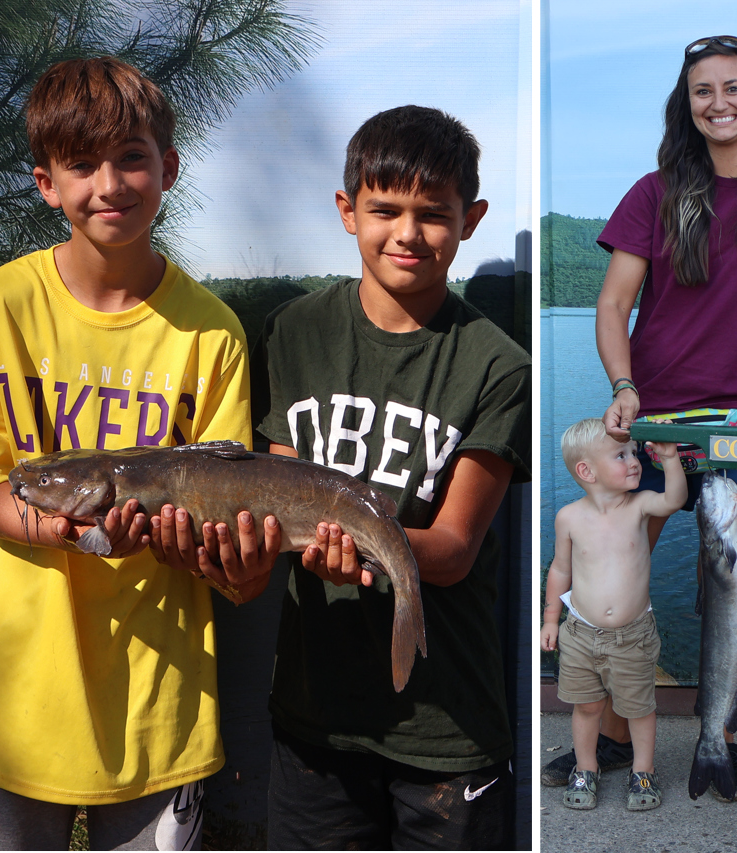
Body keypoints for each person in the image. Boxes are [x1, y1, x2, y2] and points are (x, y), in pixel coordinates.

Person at [0, 57, 263, 849]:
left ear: (169, 169)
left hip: (161, 712)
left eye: (130, 157)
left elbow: (230, 505)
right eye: (82, 164)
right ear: (46, 183)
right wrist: (70, 531)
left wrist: (230, 557)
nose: (109, 183)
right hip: (17, 708)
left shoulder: (213, 329)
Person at [541, 33, 737, 802]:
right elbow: (613, 304)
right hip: (649, 422)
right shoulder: (654, 193)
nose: (719, 103)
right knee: (615, 580)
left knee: (729, 589)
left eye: (732, 88)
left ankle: (723, 739)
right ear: (687, 104)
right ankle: (611, 739)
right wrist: (623, 383)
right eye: (703, 91)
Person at [251, 105, 530, 850]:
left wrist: (369, 545)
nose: (407, 233)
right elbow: (279, 509)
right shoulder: (295, 331)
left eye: (433, 214)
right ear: (348, 211)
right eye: (384, 209)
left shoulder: (497, 364)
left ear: (470, 220)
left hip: (446, 727)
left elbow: (455, 546)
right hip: (317, 718)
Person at [541, 419, 685, 811]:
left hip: (632, 635)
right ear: (586, 471)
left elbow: (673, 499)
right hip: (580, 634)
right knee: (586, 706)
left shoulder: (639, 506)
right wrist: (551, 617)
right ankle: (586, 768)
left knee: (638, 708)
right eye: (621, 455)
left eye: (634, 453)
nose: (634, 461)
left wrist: (669, 459)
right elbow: (560, 570)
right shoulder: (569, 518)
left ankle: (644, 770)